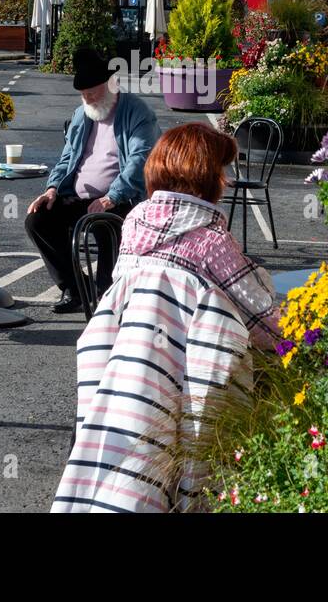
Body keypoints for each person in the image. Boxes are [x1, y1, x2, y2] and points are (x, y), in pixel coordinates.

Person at [51, 123, 280, 513]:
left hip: (127, 386)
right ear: (205, 177)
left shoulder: (136, 224)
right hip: (190, 392)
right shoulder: (210, 240)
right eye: (220, 172)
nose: (224, 181)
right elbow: (266, 326)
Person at [26, 46, 159, 315]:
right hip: (77, 196)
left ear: (110, 85)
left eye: (92, 93)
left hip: (122, 198)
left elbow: (140, 160)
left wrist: (112, 196)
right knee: (38, 220)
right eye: (83, 95)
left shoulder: (137, 112)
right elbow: (67, 158)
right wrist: (51, 188)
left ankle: (105, 295)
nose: (87, 99)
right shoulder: (81, 114)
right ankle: (75, 288)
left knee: (105, 224)